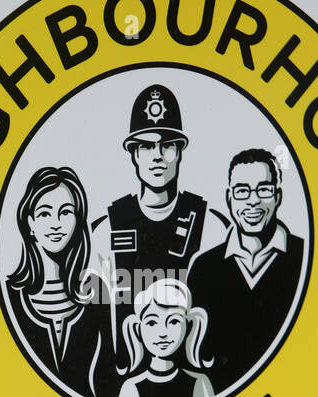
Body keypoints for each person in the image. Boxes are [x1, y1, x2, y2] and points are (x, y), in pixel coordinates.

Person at [91, 82, 228, 350]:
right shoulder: (105, 230)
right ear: (134, 154)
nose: (157, 157)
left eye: (167, 146)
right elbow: (98, 327)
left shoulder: (210, 226)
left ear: (179, 152)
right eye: (146, 146)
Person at [186, 148, 304, 394]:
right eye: (242, 191)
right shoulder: (204, 268)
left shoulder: (303, 258)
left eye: (264, 189)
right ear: (229, 198)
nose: (253, 201)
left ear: (278, 196)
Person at [6, 165, 118, 397]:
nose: (55, 223)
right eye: (45, 214)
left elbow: (109, 377)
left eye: (65, 212)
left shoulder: (96, 290)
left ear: (78, 220)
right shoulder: (10, 296)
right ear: (30, 223)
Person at [116, 278, 214, 397]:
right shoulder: (131, 387)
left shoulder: (199, 382)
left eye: (174, 321)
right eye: (151, 323)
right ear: (138, 330)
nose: (163, 333)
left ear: (189, 326)